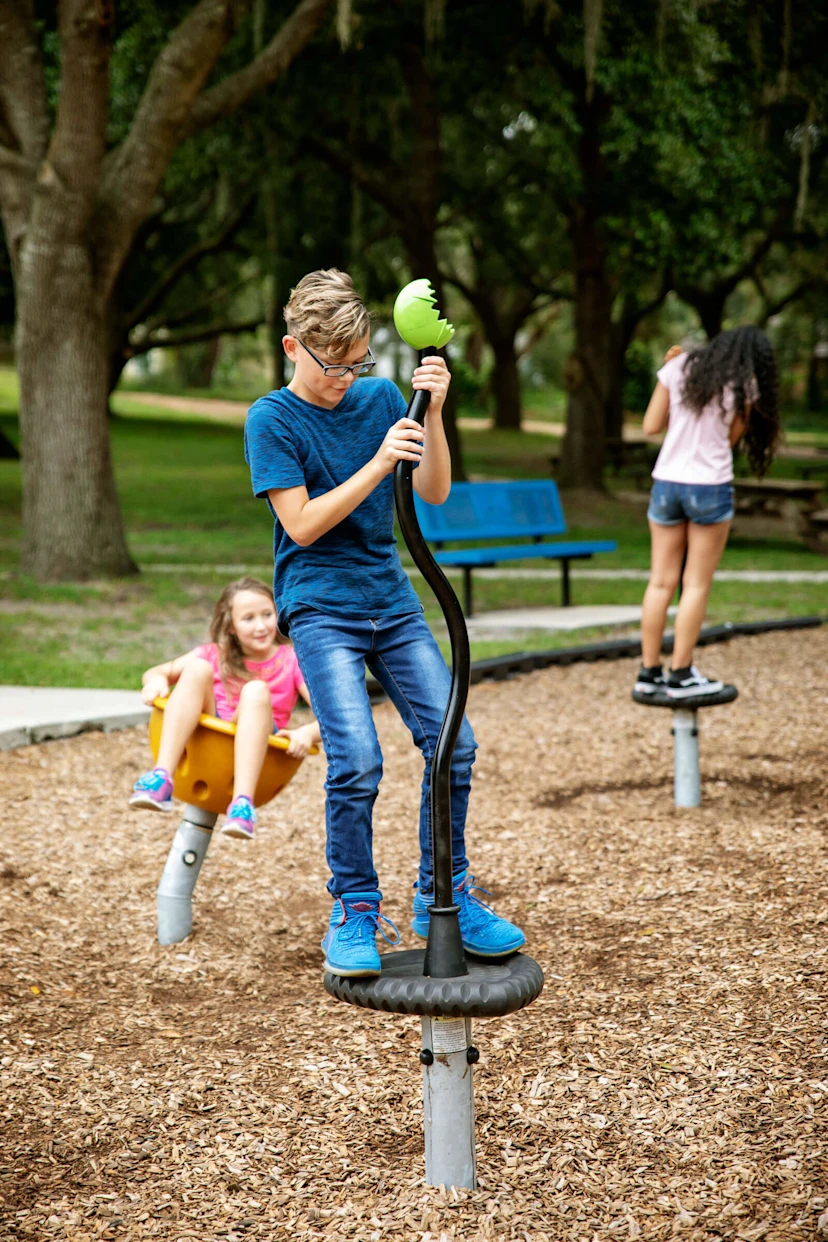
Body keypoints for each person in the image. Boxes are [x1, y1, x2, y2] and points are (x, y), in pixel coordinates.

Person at [244, 268, 524, 976]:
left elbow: (432, 489)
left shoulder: (377, 399)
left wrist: (430, 413)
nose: (346, 376)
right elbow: (302, 525)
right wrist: (375, 464)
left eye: (358, 362)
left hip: (390, 601)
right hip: (319, 605)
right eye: (331, 363)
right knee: (358, 761)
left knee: (454, 745)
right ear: (291, 347)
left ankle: (447, 893)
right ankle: (355, 910)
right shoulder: (270, 419)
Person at [635, 326, 779, 700]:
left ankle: (648, 671)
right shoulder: (744, 383)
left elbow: (650, 425)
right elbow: (730, 440)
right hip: (710, 485)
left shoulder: (678, 365)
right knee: (695, 584)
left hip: (666, 481)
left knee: (660, 582)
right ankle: (680, 673)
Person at [129, 577, 320, 839]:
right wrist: (156, 681)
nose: (262, 626)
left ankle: (242, 804)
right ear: (230, 626)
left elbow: (332, 716)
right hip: (207, 738)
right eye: (249, 618)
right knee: (196, 669)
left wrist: (307, 733)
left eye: (267, 614)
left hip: (261, 741)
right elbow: (156, 671)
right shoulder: (212, 653)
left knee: (255, 690)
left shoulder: (291, 660)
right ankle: (161, 777)